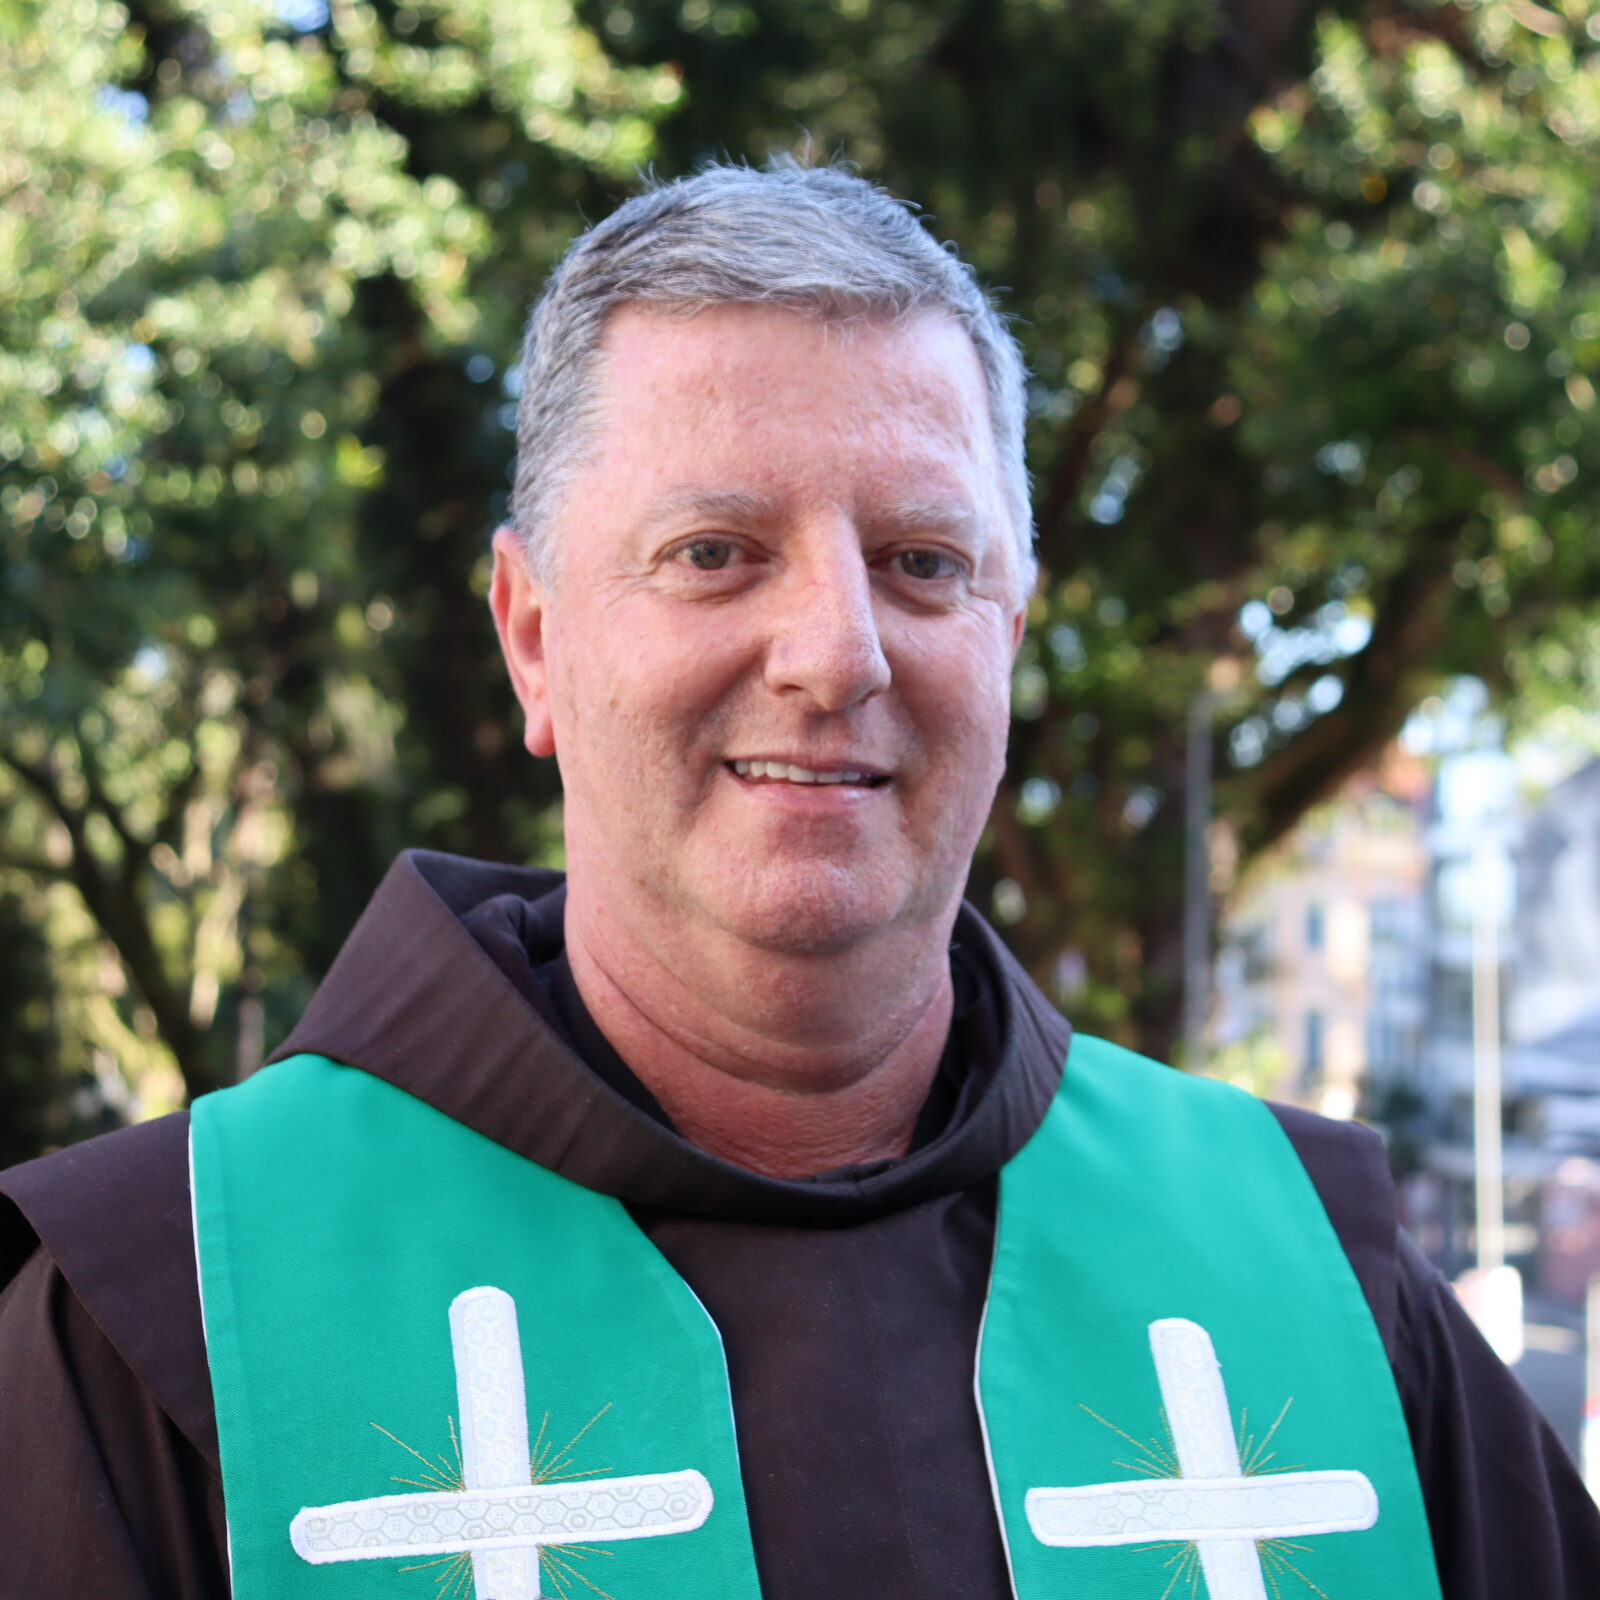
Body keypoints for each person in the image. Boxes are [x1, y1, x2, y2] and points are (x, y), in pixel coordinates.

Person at [1, 161, 1596, 1600]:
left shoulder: (1320, 1286)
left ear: (1010, 638)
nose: (835, 654)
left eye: (923, 561)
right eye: (714, 552)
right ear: (534, 634)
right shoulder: (165, 1317)